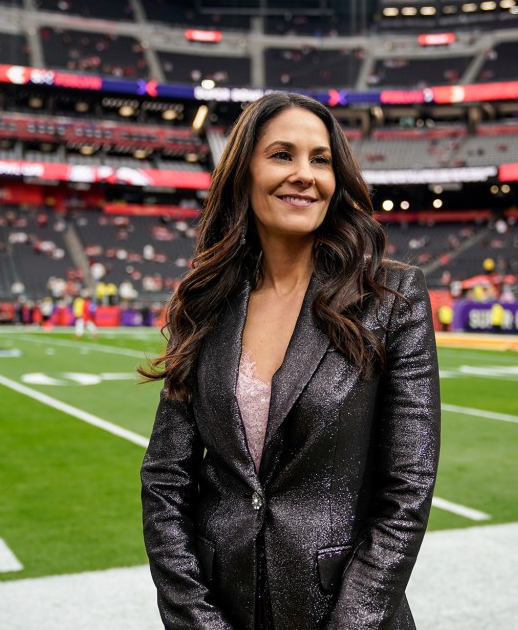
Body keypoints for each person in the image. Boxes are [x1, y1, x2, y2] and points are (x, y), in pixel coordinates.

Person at [138, 92, 441, 629]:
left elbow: (407, 490)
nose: (305, 174)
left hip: (351, 617)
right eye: (282, 155)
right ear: (244, 171)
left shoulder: (392, 297)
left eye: (320, 159)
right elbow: (165, 481)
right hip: (224, 610)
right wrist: (198, 621)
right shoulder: (207, 302)